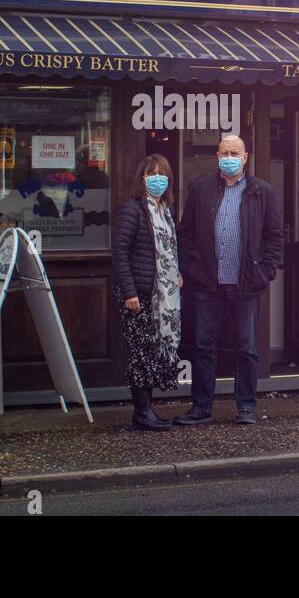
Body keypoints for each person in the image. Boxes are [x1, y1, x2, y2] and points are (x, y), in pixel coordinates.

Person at [174, 134, 282, 426]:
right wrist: (189, 266)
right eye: (224, 153)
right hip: (207, 283)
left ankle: (246, 406)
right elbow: (186, 232)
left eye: (235, 153)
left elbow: (274, 237)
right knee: (203, 346)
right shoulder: (201, 188)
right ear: (217, 156)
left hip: (246, 284)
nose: (229, 158)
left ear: (245, 157)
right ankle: (200, 408)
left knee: (246, 347)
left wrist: (267, 270)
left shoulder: (262, 191)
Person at [111, 154, 182, 431]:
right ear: (141, 178)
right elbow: (120, 253)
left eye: (162, 174)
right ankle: (142, 412)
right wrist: (129, 292)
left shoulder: (165, 210)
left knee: (151, 353)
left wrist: (176, 272)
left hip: (160, 296)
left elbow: (168, 251)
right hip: (138, 294)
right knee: (141, 353)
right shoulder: (133, 209)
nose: (157, 179)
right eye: (151, 174)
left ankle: (145, 411)